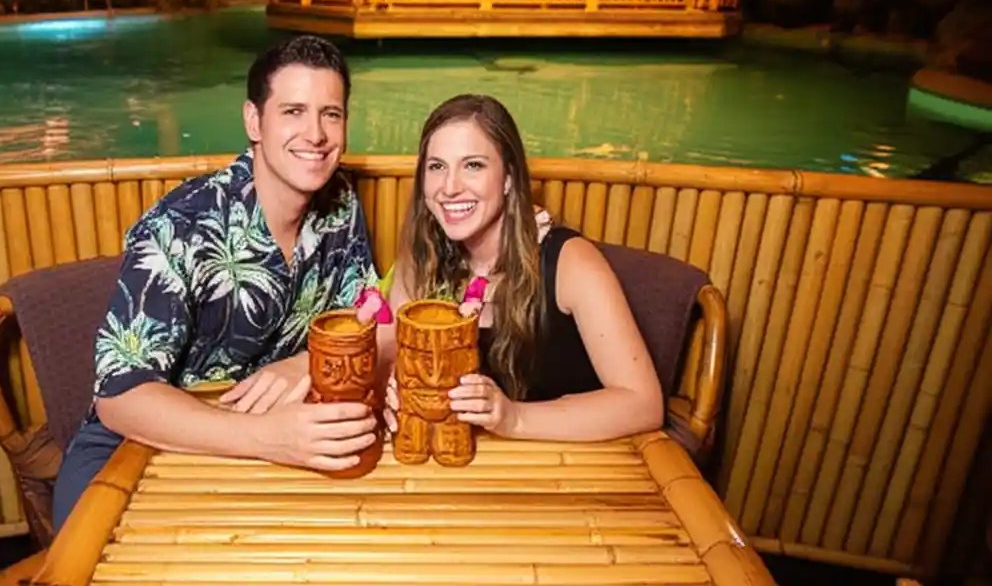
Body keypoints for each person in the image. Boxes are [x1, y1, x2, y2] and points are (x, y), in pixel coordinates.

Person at [51, 35, 385, 530]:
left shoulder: (341, 205)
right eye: (293, 111)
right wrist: (266, 437)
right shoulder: (181, 225)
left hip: (272, 440)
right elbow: (121, 395)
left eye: (330, 114)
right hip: (140, 444)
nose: (315, 133)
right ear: (254, 120)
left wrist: (306, 363)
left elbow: (373, 315)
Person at [378, 94, 664, 443]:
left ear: (509, 178)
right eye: (436, 167)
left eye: (473, 165)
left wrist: (512, 418)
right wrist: (391, 394)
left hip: (568, 468)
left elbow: (643, 403)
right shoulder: (420, 261)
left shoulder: (571, 263)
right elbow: (392, 361)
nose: (449, 187)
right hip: (463, 469)